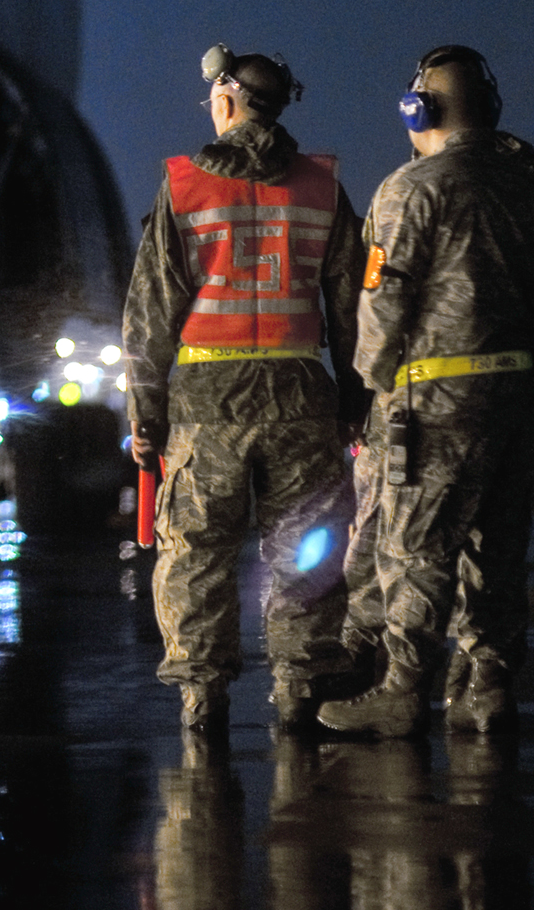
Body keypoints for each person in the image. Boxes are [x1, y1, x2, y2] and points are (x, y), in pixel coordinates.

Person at [321, 46, 534, 739]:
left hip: (434, 402)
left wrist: (375, 386)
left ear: (420, 108)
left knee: (415, 551)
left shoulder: (409, 189)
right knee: (498, 552)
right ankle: (488, 688)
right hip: (517, 401)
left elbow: (379, 309)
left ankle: (402, 691)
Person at [123, 45, 366, 736]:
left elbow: (148, 317)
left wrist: (147, 411)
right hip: (301, 394)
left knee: (197, 555)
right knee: (307, 547)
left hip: (206, 400)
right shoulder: (323, 188)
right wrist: (353, 401)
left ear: (226, 99)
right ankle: (300, 688)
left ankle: (202, 700)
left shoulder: (183, 186)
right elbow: (352, 309)